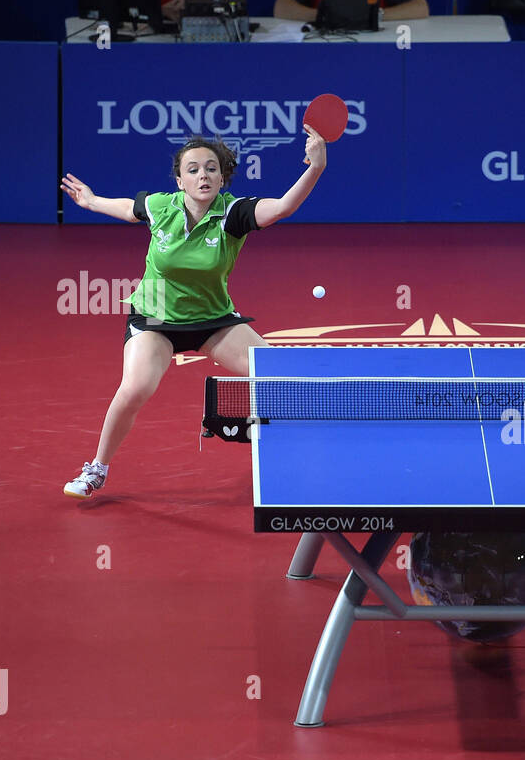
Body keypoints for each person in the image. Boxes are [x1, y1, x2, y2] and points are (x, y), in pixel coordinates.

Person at [60, 128, 327, 499]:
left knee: (275, 372)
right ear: (180, 180)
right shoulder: (160, 207)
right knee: (135, 387)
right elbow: (128, 209)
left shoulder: (233, 213)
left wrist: (315, 167)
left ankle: (313, 456)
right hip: (155, 314)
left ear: (221, 177)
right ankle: (97, 469)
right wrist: (90, 201)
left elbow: (282, 207)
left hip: (212, 318)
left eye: (211, 169)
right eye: (194, 169)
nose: (203, 175)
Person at [273, 0, 429, 23]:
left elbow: (420, 7)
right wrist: (323, 17)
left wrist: (374, 16)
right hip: (321, 46)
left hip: (375, 47)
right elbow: (282, 7)